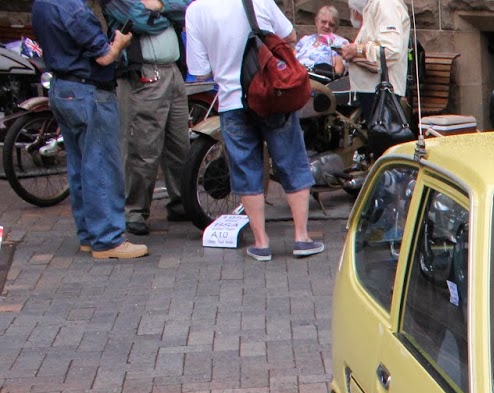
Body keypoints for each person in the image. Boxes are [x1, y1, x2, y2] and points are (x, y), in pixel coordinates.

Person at [184, 0, 323, 261]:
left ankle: (261, 242)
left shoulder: (196, 11)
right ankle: (301, 237)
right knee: (291, 161)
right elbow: (290, 36)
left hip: (231, 102)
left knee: (245, 169)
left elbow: (199, 71)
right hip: (272, 94)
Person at [30, 0, 145, 258]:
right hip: (87, 91)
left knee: (80, 166)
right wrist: (120, 42)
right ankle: (108, 240)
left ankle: (89, 235)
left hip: (62, 87)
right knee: (102, 166)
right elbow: (104, 56)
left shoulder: (41, 4)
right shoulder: (73, 8)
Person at [104, 0, 190, 235]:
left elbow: (187, 10)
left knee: (180, 144)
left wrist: (158, 5)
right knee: (142, 146)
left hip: (173, 71)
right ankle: (134, 211)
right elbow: (140, 20)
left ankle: (182, 202)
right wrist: (167, 14)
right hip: (144, 74)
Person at [340, 0, 408, 121]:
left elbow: (390, 50)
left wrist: (357, 50)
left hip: (381, 90)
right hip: (374, 89)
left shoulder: (386, 4)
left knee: (381, 132)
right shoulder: (375, 4)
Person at [294, 4, 348, 76]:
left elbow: (338, 72)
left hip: (318, 79)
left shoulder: (339, 43)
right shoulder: (305, 40)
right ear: (316, 21)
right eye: (323, 22)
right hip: (296, 74)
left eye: (331, 24)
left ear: (336, 28)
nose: (327, 26)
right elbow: (291, 60)